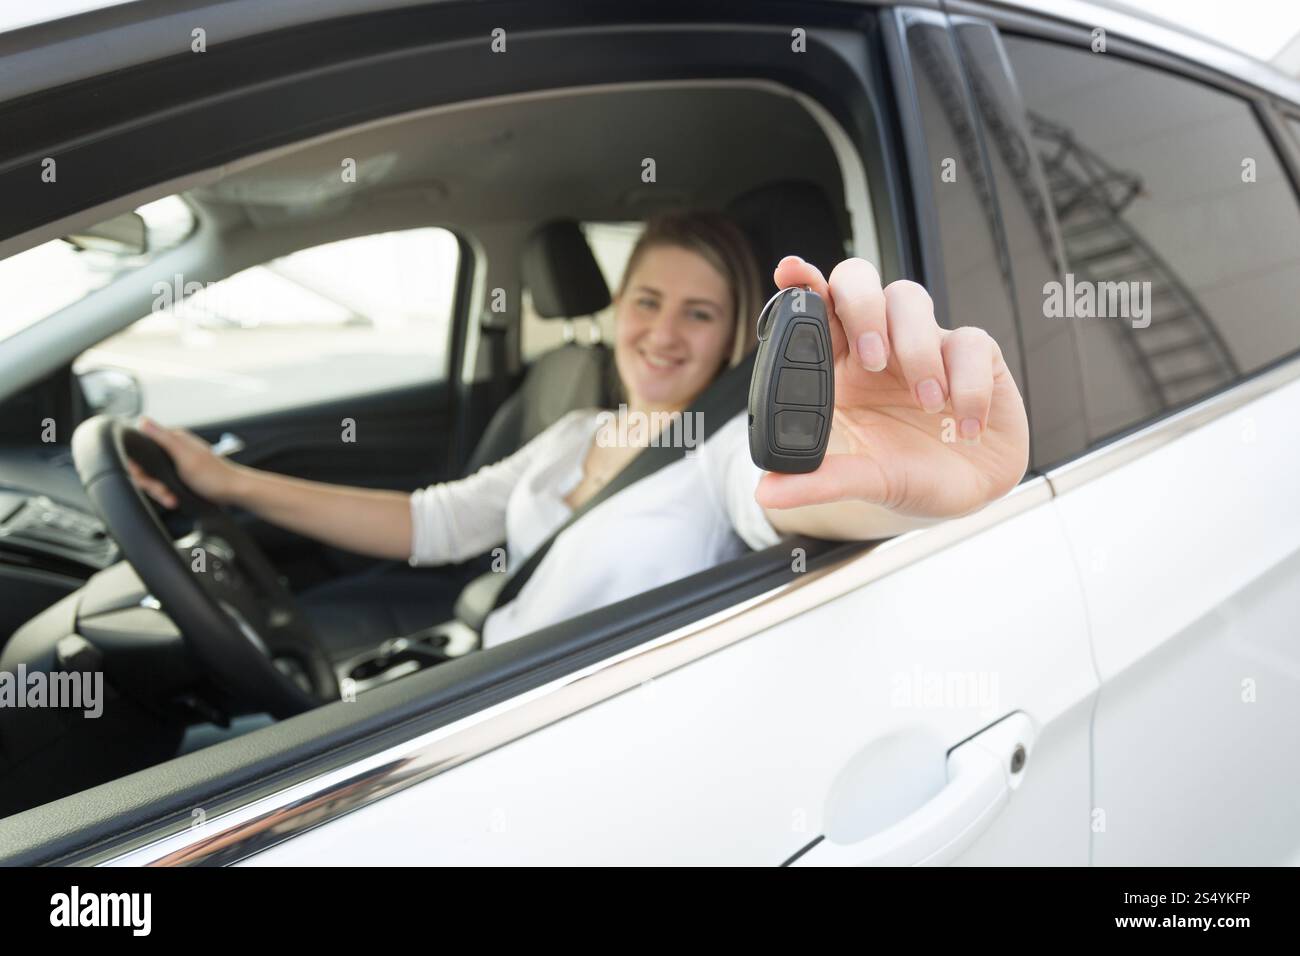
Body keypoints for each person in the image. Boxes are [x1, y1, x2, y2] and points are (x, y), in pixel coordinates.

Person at [129, 211, 1029, 654]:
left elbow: (801, 506)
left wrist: (900, 484)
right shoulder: (576, 430)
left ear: (732, 339)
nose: (664, 333)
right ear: (615, 311)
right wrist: (230, 484)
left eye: (700, 313)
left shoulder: (726, 453)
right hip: (474, 678)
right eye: (647, 301)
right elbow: (430, 523)